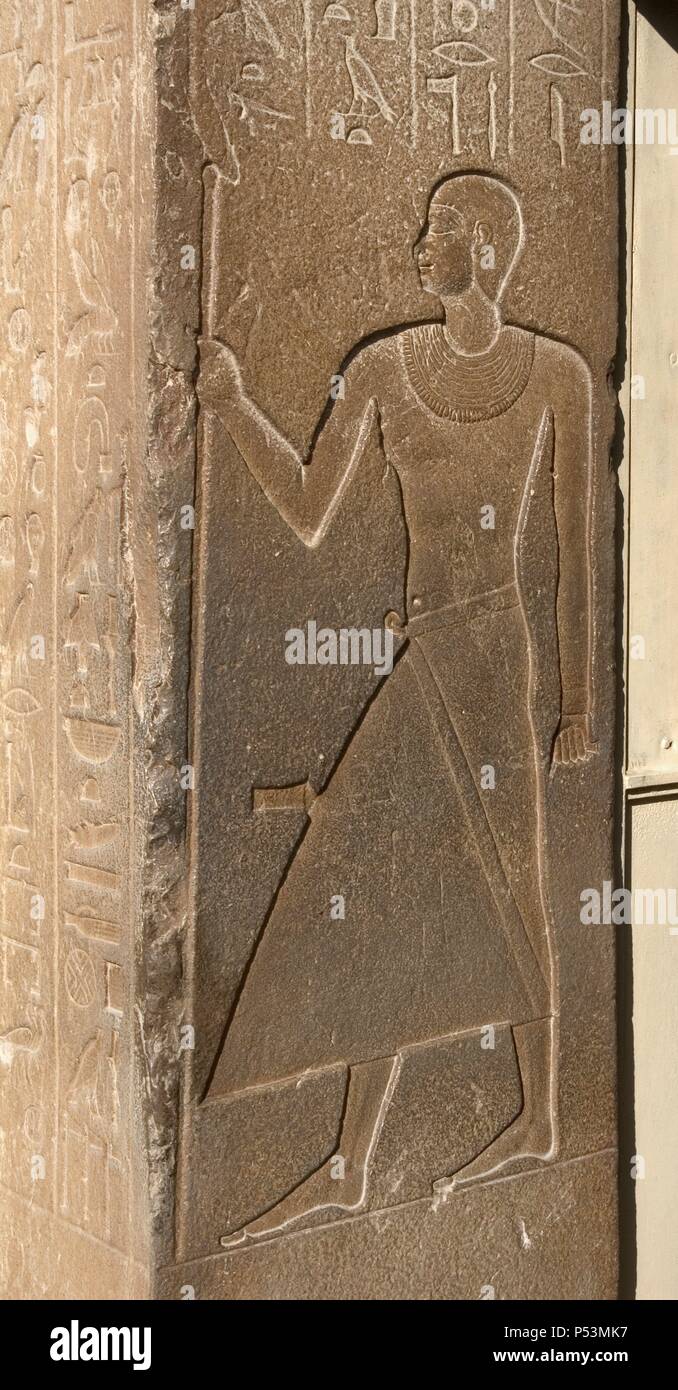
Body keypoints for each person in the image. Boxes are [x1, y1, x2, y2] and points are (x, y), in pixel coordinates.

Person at [197, 173, 595, 1246]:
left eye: (442, 232)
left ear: (492, 251)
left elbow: (572, 546)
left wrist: (578, 698)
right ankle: (350, 1162)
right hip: (424, 655)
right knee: (394, 895)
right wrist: (236, 408)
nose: (420, 247)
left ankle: (542, 1116)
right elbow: (313, 513)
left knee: (514, 875)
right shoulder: (383, 367)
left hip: (492, 651)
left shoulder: (556, 373)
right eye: (424, 230)